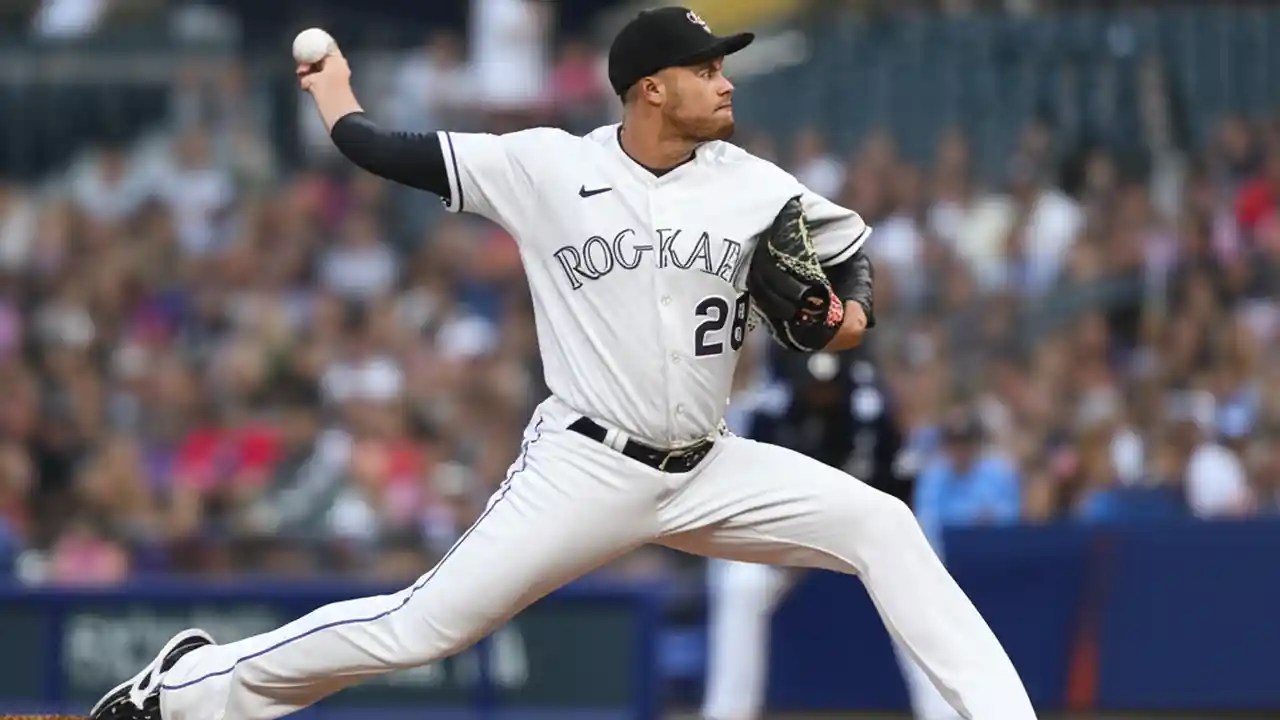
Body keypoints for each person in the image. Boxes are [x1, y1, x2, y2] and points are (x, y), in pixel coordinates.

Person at [90, 7, 1034, 720]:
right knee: (422, 627)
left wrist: (845, 318)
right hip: (586, 464)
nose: (725, 84)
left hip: (710, 465)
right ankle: (191, 690)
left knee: (883, 524)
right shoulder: (546, 166)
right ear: (649, 88)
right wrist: (334, 93)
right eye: (706, 69)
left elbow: (847, 256)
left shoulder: (753, 184)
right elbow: (382, 148)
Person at [702, 349, 961, 720]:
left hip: (864, 533)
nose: (821, 394)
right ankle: (728, 712)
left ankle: (942, 713)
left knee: (914, 581)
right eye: (814, 387)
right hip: (790, 535)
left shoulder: (870, 409)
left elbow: (899, 493)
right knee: (741, 584)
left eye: (828, 387)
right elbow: (748, 495)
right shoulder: (771, 411)